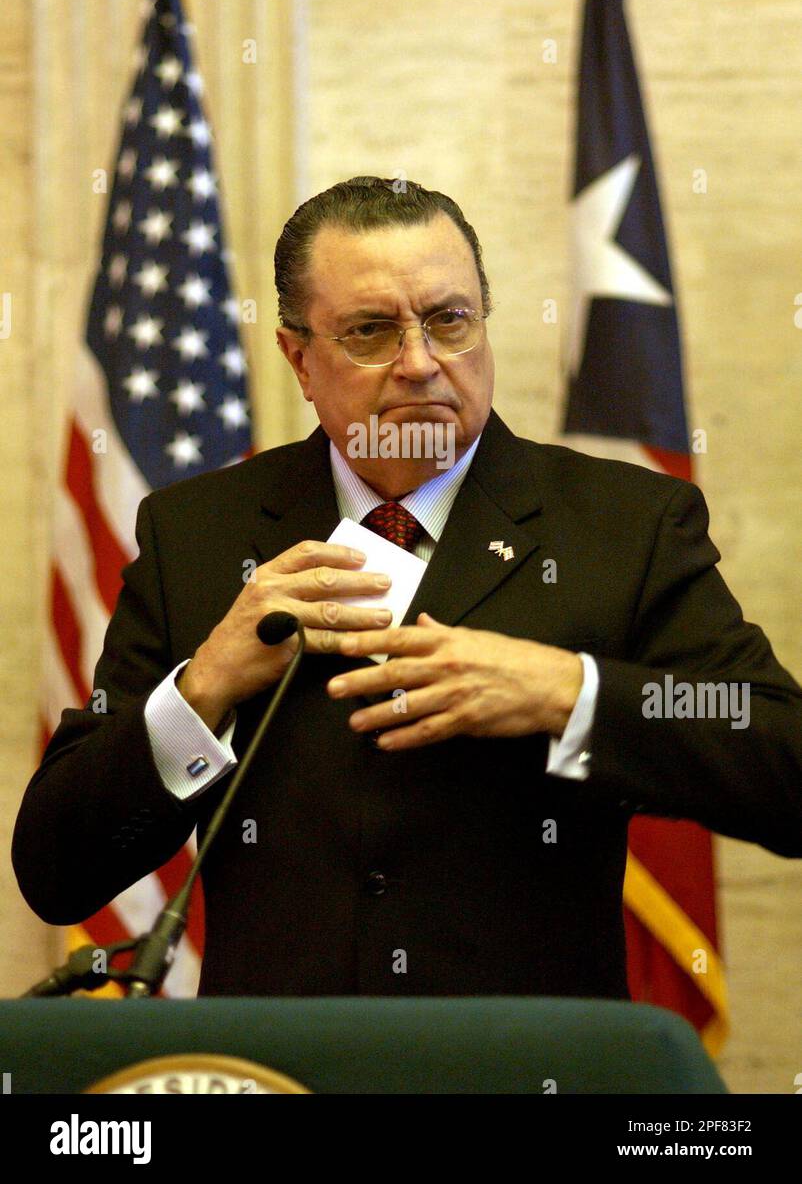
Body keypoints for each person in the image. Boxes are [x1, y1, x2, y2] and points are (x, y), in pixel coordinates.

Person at [13, 176, 802, 998]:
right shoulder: (199, 536)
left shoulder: (623, 523)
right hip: (282, 1077)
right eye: (370, 332)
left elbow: (778, 756)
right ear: (299, 359)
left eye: (449, 322)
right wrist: (203, 688)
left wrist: (570, 693)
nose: (420, 364)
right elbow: (57, 869)